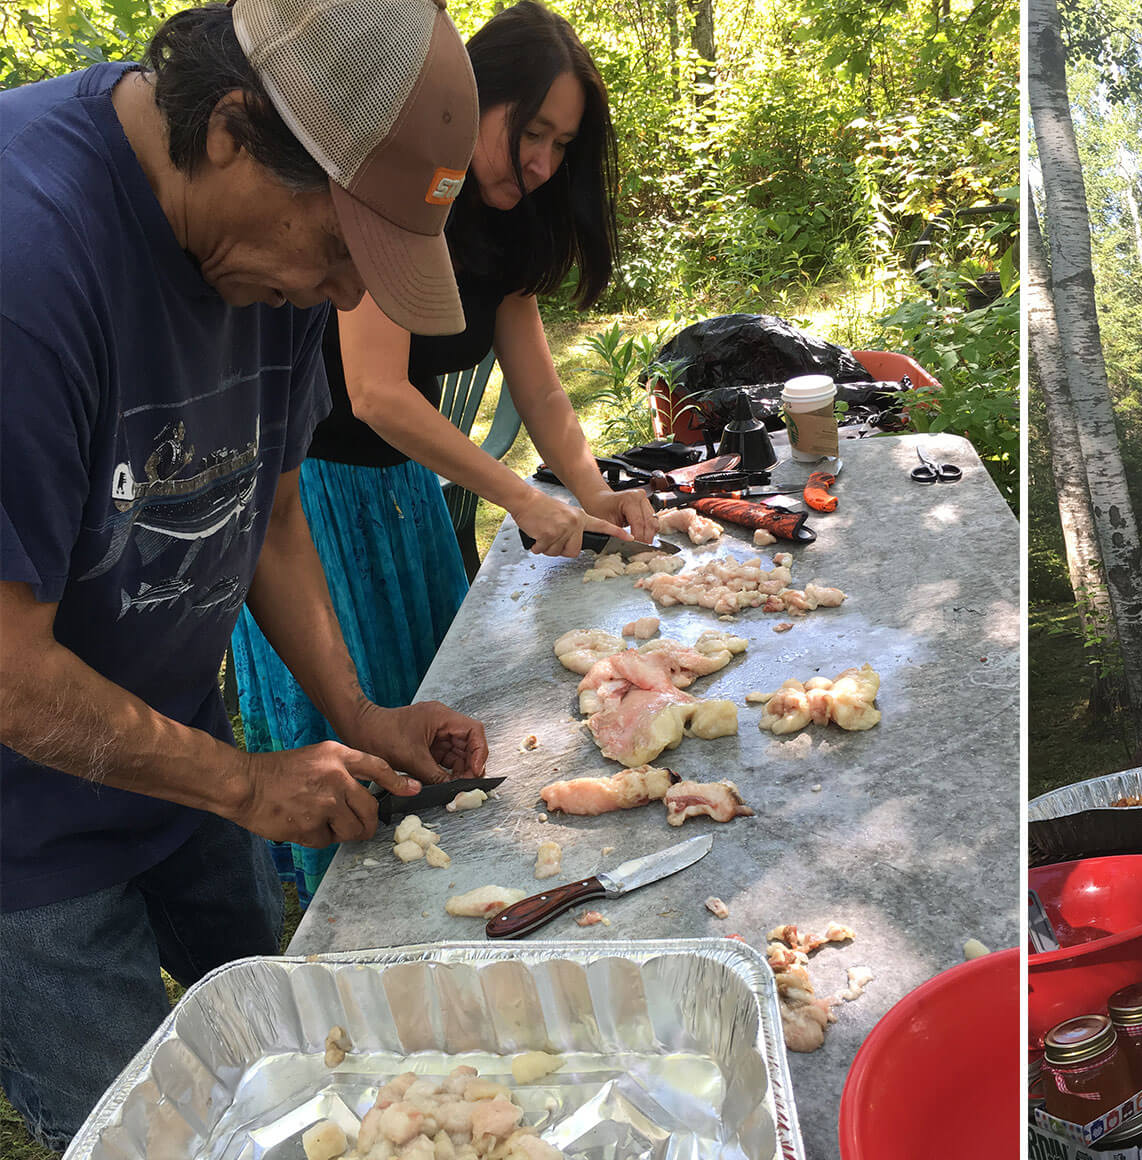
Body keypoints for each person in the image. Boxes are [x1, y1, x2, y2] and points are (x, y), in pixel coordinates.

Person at [0, 0, 486, 1146]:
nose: (350, 296)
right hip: (20, 845)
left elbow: (265, 514)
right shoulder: (28, 268)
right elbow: (11, 675)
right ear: (231, 129)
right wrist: (243, 783)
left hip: (177, 746)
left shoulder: (266, 258)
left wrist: (357, 714)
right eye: (340, 248)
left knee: (298, 1086)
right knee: (146, 1131)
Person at [229, 0, 653, 900]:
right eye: (529, 131)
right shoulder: (400, 197)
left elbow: (537, 386)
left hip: (405, 494)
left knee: (439, 718)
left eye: (561, 146)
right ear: (473, 101)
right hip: (316, 504)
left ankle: (451, 900)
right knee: (355, 733)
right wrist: (526, 500)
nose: (541, 163)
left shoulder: (511, 220)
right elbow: (378, 393)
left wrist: (590, 490)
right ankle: (349, 922)